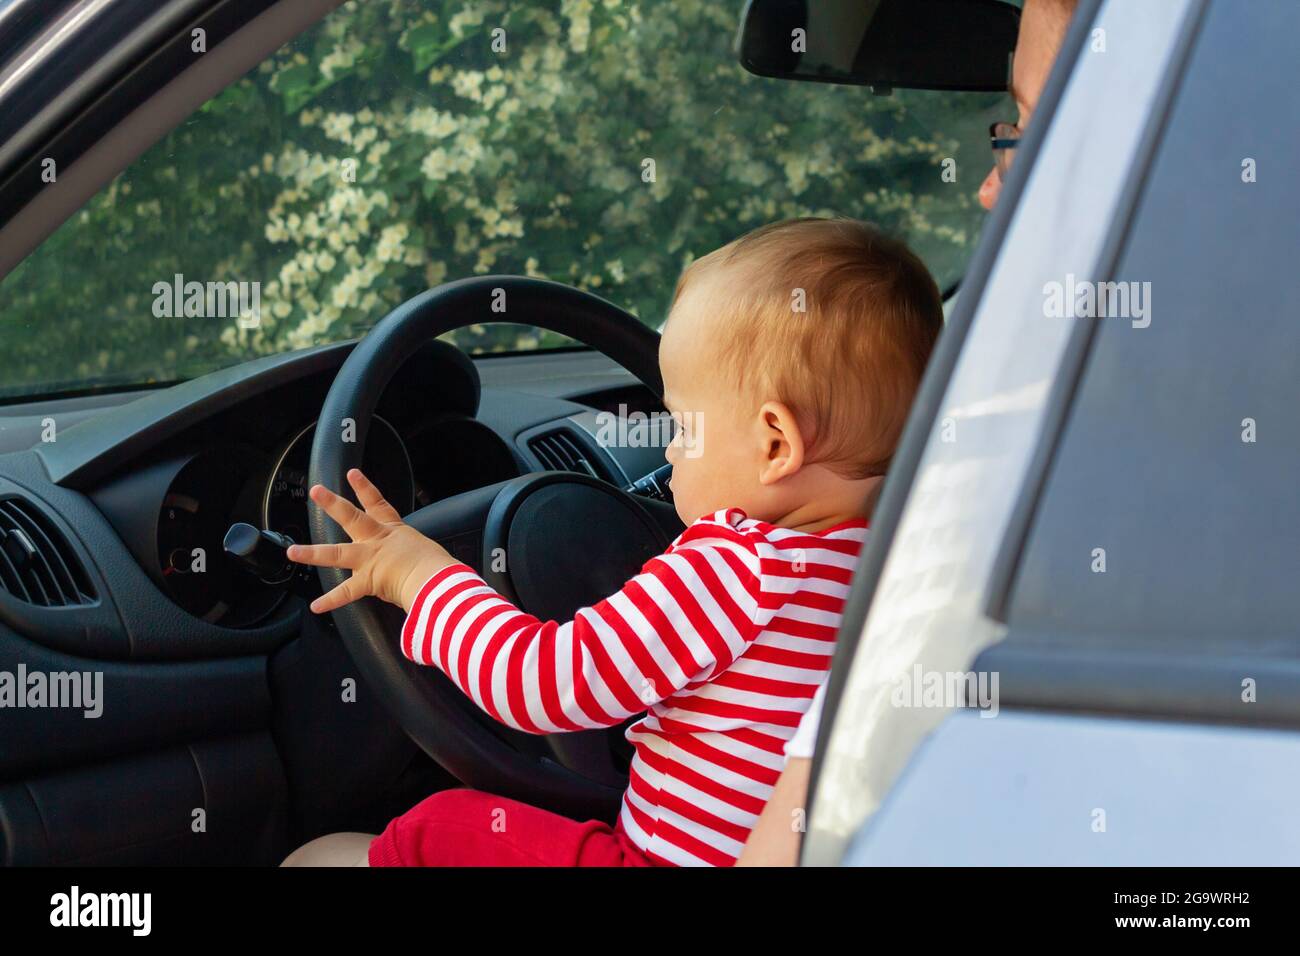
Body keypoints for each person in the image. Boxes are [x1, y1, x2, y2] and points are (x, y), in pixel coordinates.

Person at [281, 217, 942, 866]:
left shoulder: (739, 568)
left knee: (422, 827)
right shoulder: (903, 568)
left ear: (774, 444)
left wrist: (419, 576)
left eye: (683, 427)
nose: (671, 453)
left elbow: (540, 686)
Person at [735, 0, 1080, 867]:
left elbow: (560, 681)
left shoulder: (985, 510)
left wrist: (422, 580)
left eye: (1031, 135)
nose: (988, 185)